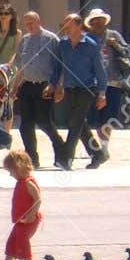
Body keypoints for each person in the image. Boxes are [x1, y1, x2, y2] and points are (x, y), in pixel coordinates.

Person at [51, 12, 108, 170]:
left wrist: (102, 94)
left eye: (67, 25)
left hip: (87, 89)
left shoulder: (90, 44)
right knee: (79, 123)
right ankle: (97, 154)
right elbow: (57, 68)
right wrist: (52, 85)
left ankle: (65, 158)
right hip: (70, 88)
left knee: (75, 123)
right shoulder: (62, 45)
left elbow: (100, 70)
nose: (65, 28)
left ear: (78, 25)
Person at [9, 10, 62, 167]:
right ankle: (32, 158)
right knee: (25, 125)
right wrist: (14, 87)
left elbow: (59, 66)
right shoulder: (24, 41)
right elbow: (21, 67)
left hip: (45, 86)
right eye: (26, 24)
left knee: (45, 122)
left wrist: (57, 87)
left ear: (39, 22)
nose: (29, 26)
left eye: (31, 23)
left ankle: (61, 153)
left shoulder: (51, 39)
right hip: (27, 85)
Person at [0, 150, 41, 260]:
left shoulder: (28, 183)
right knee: (12, 241)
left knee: (23, 241)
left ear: (19, 168)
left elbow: (38, 200)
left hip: (28, 221)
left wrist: (31, 215)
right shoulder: (20, 182)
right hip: (20, 220)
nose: (10, 175)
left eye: (11, 171)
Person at [85, 8, 130, 127]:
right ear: (91, 23)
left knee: (109, 119)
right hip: (93, 84)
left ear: (105, 21)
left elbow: (127, 53)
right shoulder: (86, 39)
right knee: (92, 119)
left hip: (113, 83)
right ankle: (93, 144)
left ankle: (104, 145)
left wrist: (116, 45)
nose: (98, 23)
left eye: (101, 20)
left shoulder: (114, 35)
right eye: (95, 21)